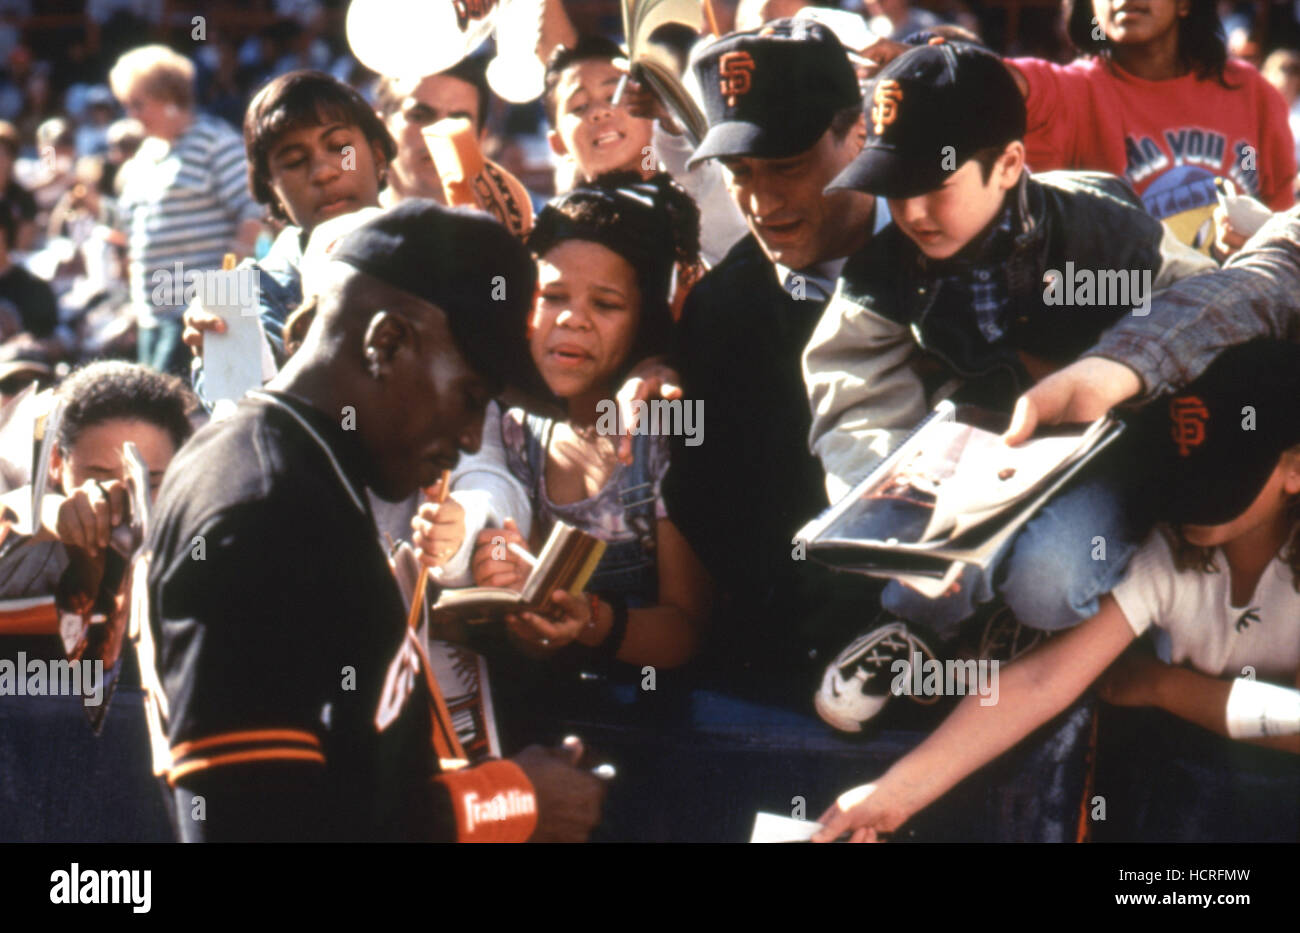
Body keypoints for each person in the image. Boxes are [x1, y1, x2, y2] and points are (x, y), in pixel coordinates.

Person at [142, 200, 604, 842]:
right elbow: (252, 830)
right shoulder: (265, 503)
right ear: (386, 342)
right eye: (471, 398)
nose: (473, 438)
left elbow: (339, 781)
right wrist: (499, 804)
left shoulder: (301, 471)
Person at [803, 40, 1214, 730]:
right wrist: (882, 501)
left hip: (1107, 451)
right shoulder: (888, 267)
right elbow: (852, 380)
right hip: (982, 447)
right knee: (932, 567)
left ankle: (1031, 635)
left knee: (1049, 580)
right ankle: (922, 631)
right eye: (896, 189)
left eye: (934, 186)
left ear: (1010, 165)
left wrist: (1124, 375)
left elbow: (1203, 307)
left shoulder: (1104, 234)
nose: (913, 213)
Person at [814, 340, 1300, 843]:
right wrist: (892, 795)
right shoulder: (1171, 551)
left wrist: (1160, 686)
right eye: (1190, 475)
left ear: (1295, 470)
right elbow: (1044, 679)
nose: (1196, 506)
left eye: (1223, 480)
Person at [662, 19, 889, 701]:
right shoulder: (720, 310)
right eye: (739, 172)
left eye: (787, 167)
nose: (761, 202)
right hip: (794, 682)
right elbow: (712, 512)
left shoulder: (955, 251)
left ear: (859, 134)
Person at [456, 174, 710, 674]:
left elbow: (688, 628)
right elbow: (532, 641)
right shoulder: (516, 430)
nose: (573, 319)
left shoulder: (666, 427)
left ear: (644, 319)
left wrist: (589, 620)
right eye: (552, 297)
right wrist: (524, 608)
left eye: (606, 304)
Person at [0, 361, 196, 843]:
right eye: (96, 475)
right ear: (56, 465)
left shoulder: (199, 554)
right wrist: (40, 513)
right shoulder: (22, 551)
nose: (120, 499)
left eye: (150, 480)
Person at [180, 70, 395, 378]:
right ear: (272, 189)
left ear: (377, 156)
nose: (323, 172)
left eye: (339, 148)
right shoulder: (236, 297)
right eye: (294, 162)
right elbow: (241, 416)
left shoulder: (443, 248)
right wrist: (224, 344)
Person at [109, 44, 263, 376]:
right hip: (153, 315)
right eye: (127, 105)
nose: (131, 115)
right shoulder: (144, 156)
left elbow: (253, 209)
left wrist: (224, 289)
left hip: (203, 315)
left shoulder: (215, 142)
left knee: (199, 416)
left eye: (138, 104)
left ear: (168, 97)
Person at [373, 56, 493, 205]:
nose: (440, 133)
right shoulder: (344, 227)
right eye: (420, 116)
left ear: (480, 140)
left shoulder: (506, 227)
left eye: (458, 121)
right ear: (380, 129)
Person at [542, 37, 655, 189]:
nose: (599, 111)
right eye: (579, 106)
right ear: (557, 143)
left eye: (613, 96)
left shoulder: (694, 187)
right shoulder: (563, 212)